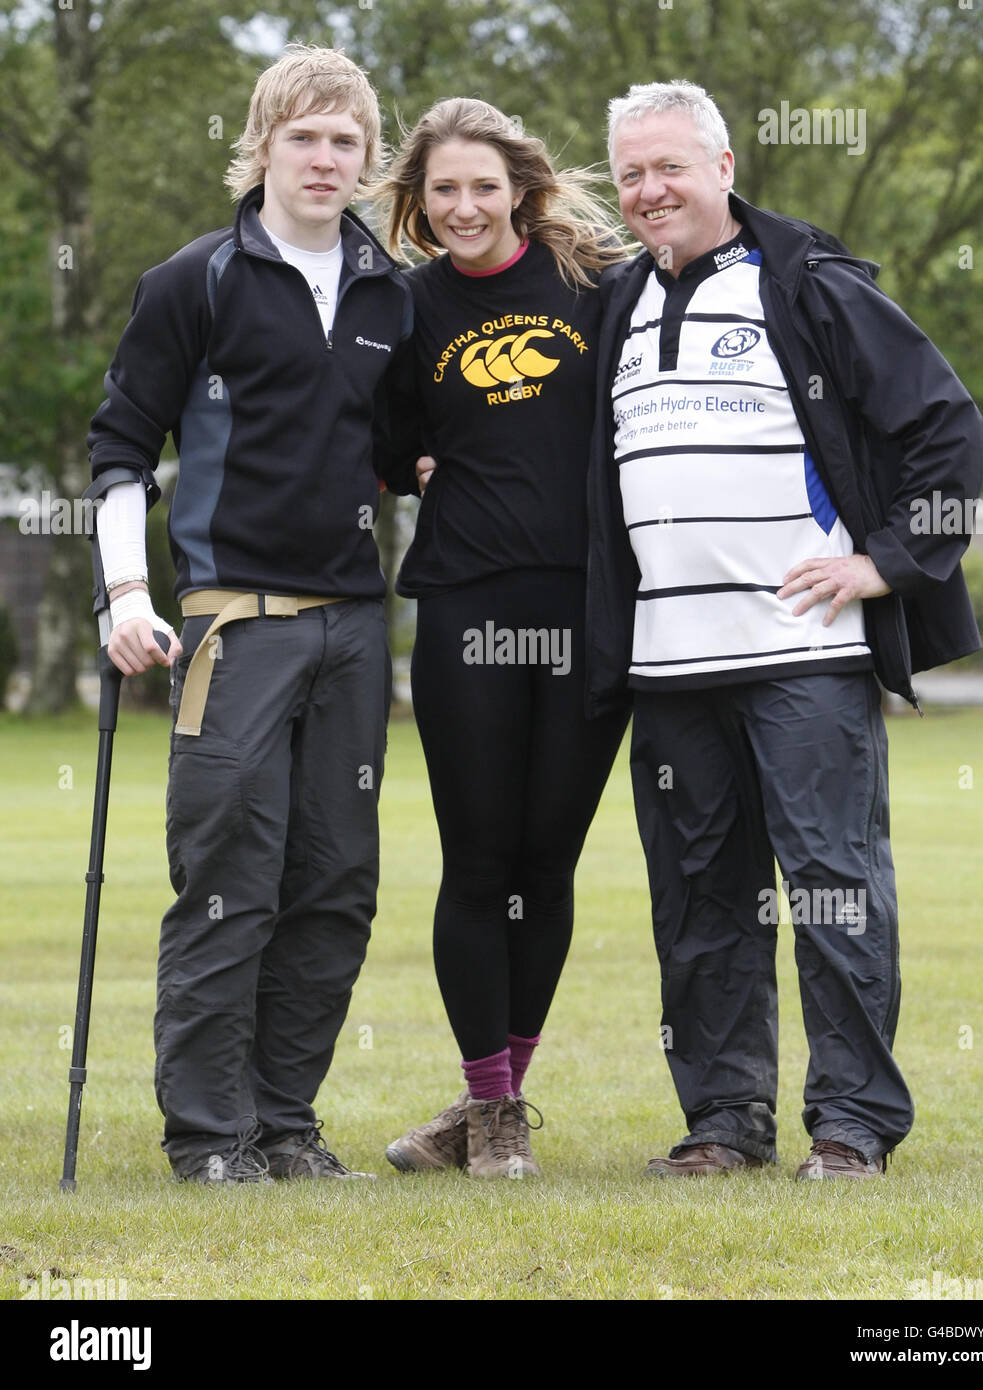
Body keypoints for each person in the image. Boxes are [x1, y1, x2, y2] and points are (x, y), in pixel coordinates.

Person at [586, 81, 983, 1179]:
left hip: (805, 656)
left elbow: (946, 422)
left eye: (670, 165)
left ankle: (852, 1125)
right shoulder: (617, 301)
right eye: (631, 173)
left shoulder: (806, 281)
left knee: (832, 887)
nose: (650, 189)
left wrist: (887, 562)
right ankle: (725, 1122)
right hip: (668, 671)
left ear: (722, 165)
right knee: (701, 904)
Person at [86, 45, 412, 1183]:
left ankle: (286, 1122)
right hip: (234, 627)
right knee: (230, 874)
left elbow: (400, 454)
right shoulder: (199, 280)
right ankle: (209, 1135)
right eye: (305, 137)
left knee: (334, 884)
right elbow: (122, 449)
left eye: (346, 142)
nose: (326, 159)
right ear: (264, 144)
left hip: (355, 631)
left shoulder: (388, 293)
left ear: (369, 161)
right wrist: (125, 594)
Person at [374, 98, 630, 1178]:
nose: (465, 206)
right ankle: (492, 1115)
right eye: (444, 190)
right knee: (479, 859)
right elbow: (384, 445)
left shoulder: (598, 289)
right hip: (468, 609)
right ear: (420, 204)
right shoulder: (408, 306)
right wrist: (416, 467)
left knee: (549, 860)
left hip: (588, 609)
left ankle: (495, 1098)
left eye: (484, 185)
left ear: (519, 188)